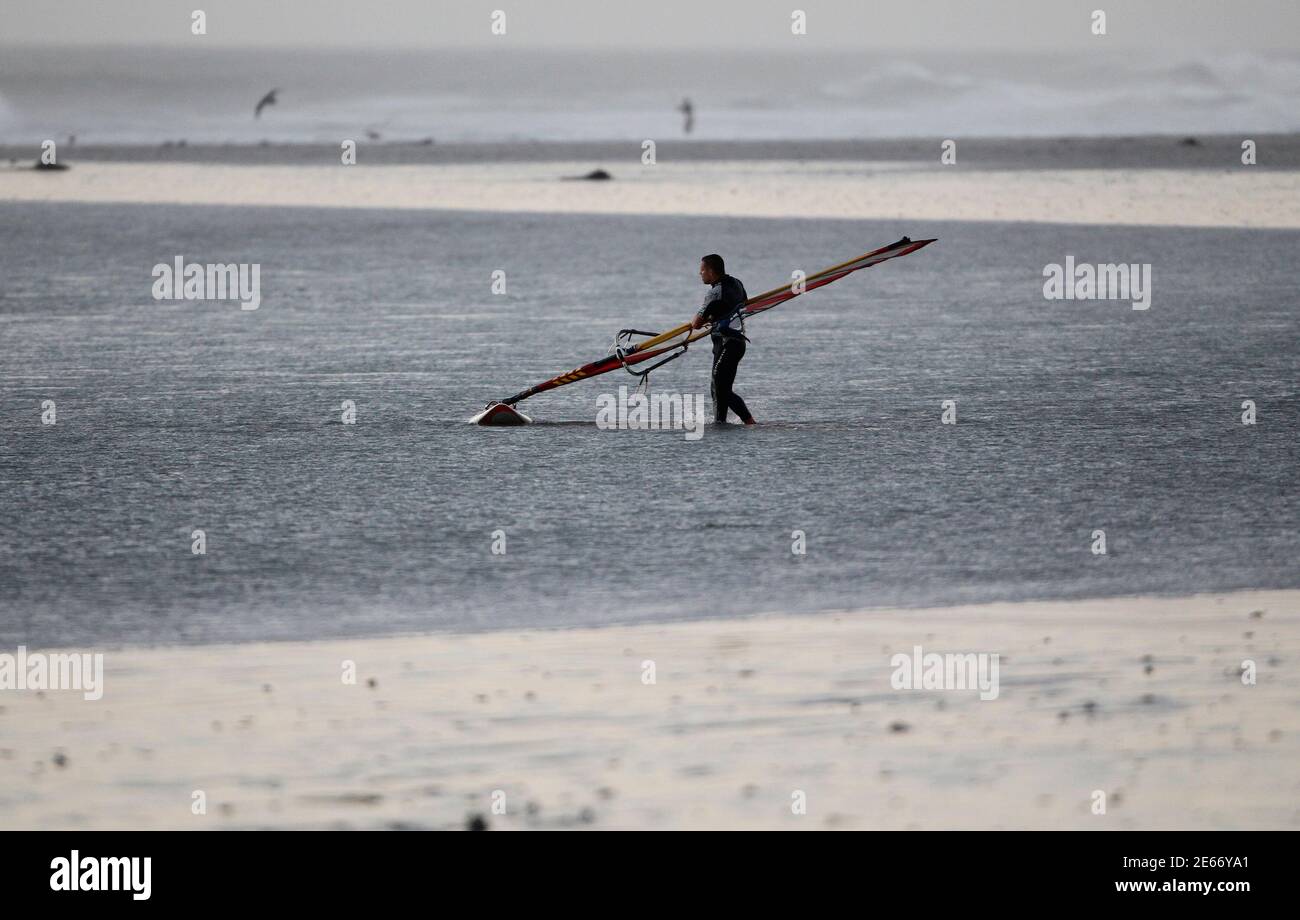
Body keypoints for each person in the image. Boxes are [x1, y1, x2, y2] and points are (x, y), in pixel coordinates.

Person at [691, 254, 755, 425]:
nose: (700, 274)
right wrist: (716, 315)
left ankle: (749, 422)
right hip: (735, 343)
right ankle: (721, 423)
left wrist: (710, 317)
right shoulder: (737, 283)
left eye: (702, 270)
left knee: (721, 389)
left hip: (728, 344)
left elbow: (696, 324)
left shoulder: (714, 293)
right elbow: (744, 303)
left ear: (711, 271)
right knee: (717, 389)